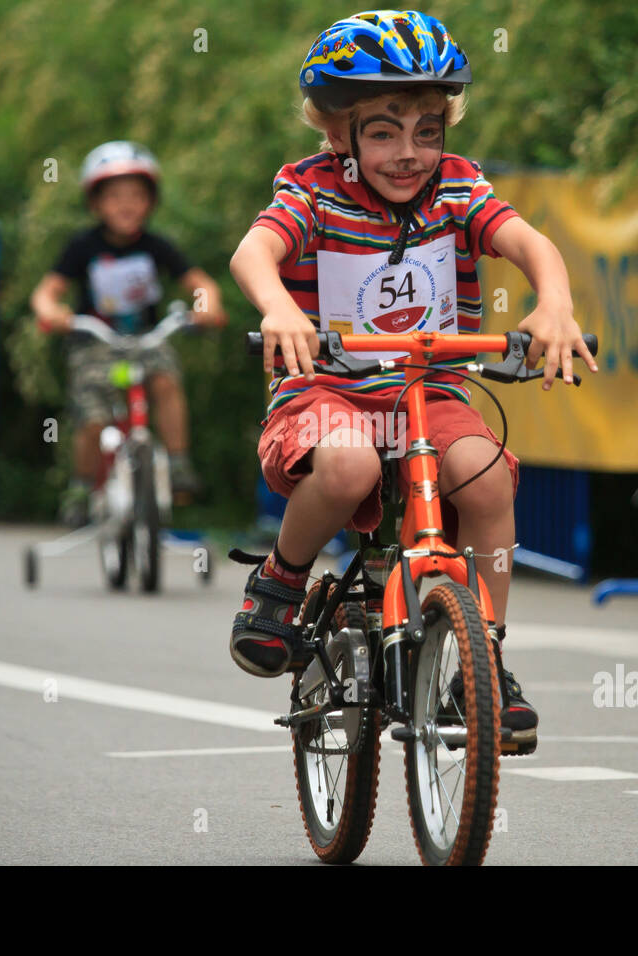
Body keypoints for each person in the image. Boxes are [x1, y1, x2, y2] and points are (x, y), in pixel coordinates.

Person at [227, 10, 596, 752]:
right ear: (338, 133)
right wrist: (278, 311)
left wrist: (554, 303)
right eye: (385, 132)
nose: (410, 153)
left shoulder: (458, 188)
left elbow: (529, 242)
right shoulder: (313, 189)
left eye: (428, 130)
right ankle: (279, 581)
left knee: (487, 480)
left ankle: (482, 658)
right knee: (351, 462)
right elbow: (252, 253)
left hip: (429, 391)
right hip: (326, 390)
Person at [31, 140, 226, 520]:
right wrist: (53, 312)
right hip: (95, 342)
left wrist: (205, 308)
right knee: (93, 419)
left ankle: (178, 463)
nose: (126, 204)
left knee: (166, 381)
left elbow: (202, 286)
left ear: (150, 202)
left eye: (136, 195)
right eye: (115, 196)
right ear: (96, 203)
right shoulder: (82, 246)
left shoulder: (157, 247)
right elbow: (47, 291)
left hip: (146, 339)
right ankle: (82, 486)